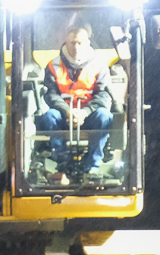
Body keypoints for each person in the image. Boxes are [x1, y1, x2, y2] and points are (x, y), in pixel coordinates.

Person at [36, 22, 114, 182]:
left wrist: (84, 112)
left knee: (104, 116)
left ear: (87, 43)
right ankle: (63, 164)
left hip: (89, 116)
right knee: (49, 117)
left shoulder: (99, 65)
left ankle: (91, 168)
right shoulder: (53, 65)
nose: (76, 47)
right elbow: (50, 94)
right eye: (73, 42)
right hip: (64, 116)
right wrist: (67, 111)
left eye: (80, 43)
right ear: (66, 42)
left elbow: (104, 96)